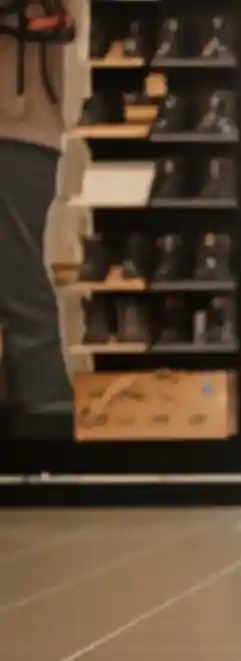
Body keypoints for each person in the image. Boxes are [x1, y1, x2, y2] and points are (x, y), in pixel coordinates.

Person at [0, 0, 77, 438]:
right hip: (23, 131)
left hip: (16, 131)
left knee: (19, 286)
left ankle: (46, 417)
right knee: (17, 282)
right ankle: (36, 416)